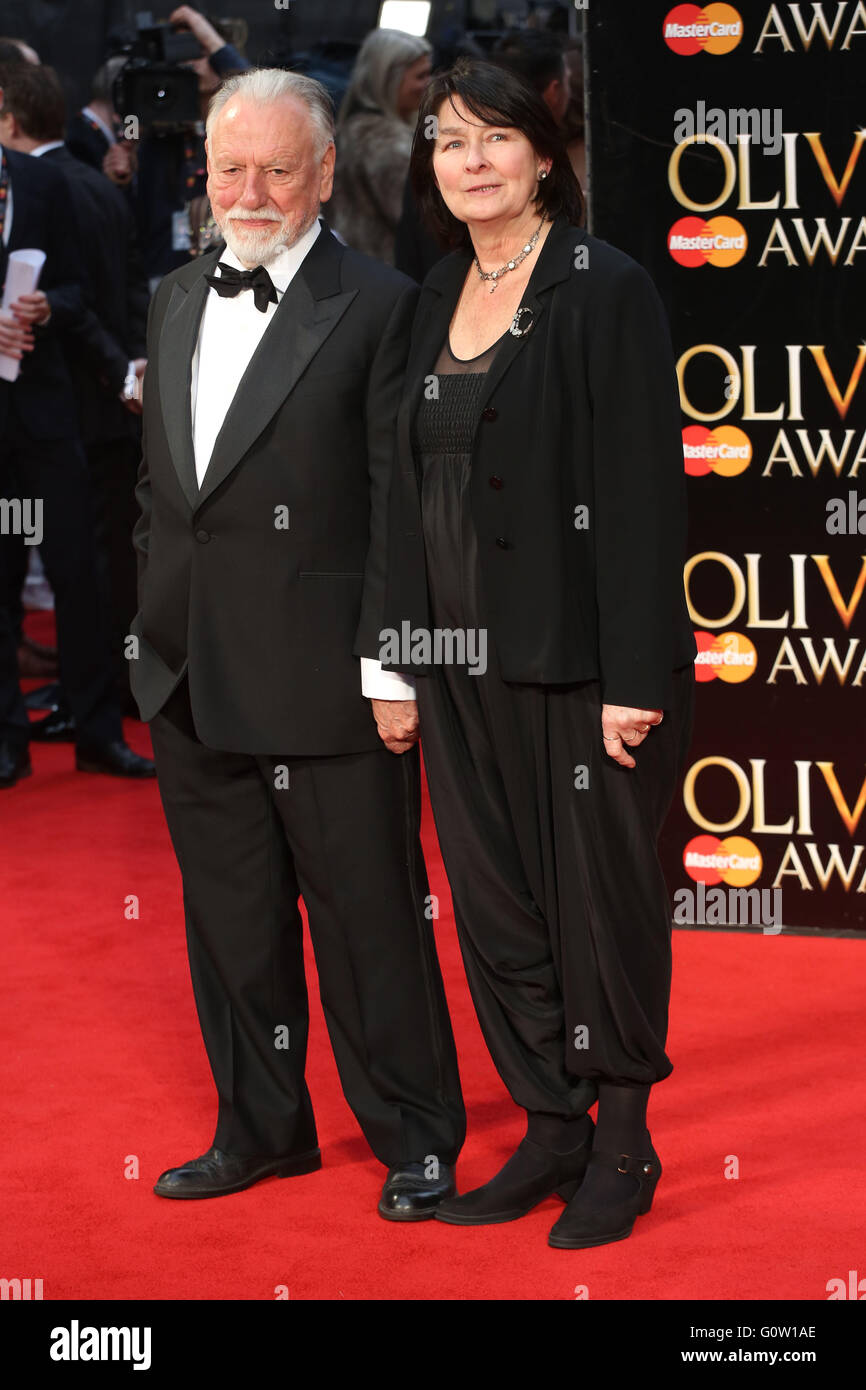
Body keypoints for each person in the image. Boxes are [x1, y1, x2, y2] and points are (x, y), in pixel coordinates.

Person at [132, 67, 465, 1218]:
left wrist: (391, 666)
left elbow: (402, 505)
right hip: (188, 671)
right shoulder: (174, 294)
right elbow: (164, 489)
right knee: (230, 927)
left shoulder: (380, 303)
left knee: (370, 922)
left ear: (326, 172)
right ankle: (259, 1127)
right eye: (231, 167)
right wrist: (148, 633)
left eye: (278, 167)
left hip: (331, 680)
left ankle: (417, 1138)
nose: (251, 190)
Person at [379, 60, 697, 1248]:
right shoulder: (432, 292)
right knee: (498, 907)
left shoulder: (599, 285)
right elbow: (401, 491)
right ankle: (548, 1126)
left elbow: (636, 497)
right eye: (448, 142)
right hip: (456, 664)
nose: (469, 160)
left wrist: (629, 678)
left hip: (576, 664)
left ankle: (623, 1141)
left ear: (543, 154)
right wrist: (397, 658)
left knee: (598, 905)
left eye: (493, 138)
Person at [0, 78, 155, 786]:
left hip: (45, 412)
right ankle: (9, 740)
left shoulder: (41, 182)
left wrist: (42, 308)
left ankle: (98, 732)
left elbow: (74, 289)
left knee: (81, 576)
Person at [329, 28, 432, 265]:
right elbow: (423, 222)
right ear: (389, 79)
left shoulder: (352, 129)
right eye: (420, 76)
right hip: (388, 275)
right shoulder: (384, 143)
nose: (428, 84)